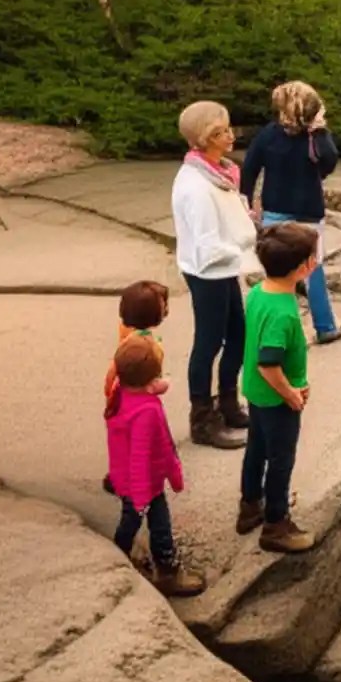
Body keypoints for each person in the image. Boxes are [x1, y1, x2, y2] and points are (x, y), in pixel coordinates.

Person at [241, 80, 341, 346]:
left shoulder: (269, 134)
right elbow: (329, 162)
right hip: (308, 215)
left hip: (275, 213)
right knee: (313, 269)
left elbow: (250, 167)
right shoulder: (314, 138)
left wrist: (244, 197)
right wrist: (321, 131)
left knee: (275, 271)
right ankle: (325, 327)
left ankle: (269, 328)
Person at [173, 101, 255, 450]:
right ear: (204, 138)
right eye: (221, 132)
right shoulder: (197, 187)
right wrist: (249, 248)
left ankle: (227, 402)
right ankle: (202, 420)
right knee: (208, 343)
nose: (230, 136)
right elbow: (208, 245)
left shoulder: (217, 172)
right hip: (208, 270)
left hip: (225, 267)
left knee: (238, 334)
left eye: (228, 128)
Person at [237, 223, 319, 554]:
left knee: (256, 448)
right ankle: (276, 523)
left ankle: (250, 505)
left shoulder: (259, 292)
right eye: (313, 256)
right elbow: (268, 362)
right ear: (303, 267)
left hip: (256, 393)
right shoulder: (284, 313)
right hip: (275, 399)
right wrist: (291, 394)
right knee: (280, 459)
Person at [107, 335, 206, 597]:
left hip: (127, 479)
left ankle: (124, 554)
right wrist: (143, 495)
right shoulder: (146, 411)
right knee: (149, 522)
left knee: (138, 519)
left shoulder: (121, 393)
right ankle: (164, 570)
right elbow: (142, 456)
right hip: (142, 484)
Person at [102, 280, 172, 495]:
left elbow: (112, 370)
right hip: (140, 397)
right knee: (141, 443)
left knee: (120, 441)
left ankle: (117, 475)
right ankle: (135, 482)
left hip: (120, 396)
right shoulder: (149, 345)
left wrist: (110, 392)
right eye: (164, 306)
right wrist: (163, 385)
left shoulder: (126, 331)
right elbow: (151, 380)